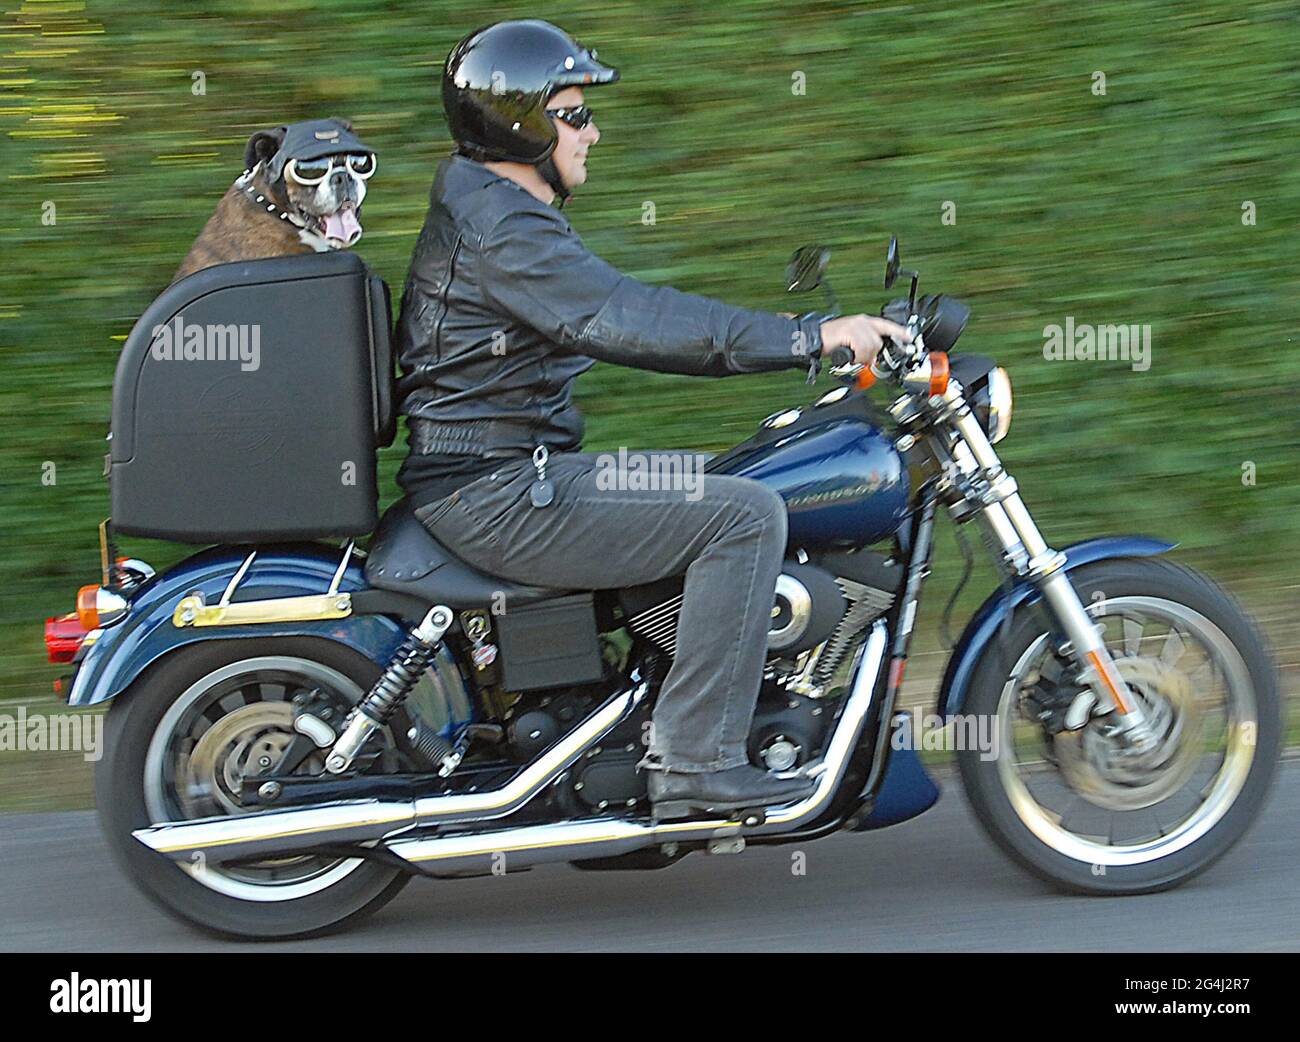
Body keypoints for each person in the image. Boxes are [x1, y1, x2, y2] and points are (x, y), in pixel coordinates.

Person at [394, 19, 910, 816]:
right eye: (574, 114)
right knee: (743, 517)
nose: (592, 132)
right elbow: (630, 318)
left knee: (721, 480)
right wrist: (808, 338)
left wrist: (794, 340)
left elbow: (630, 313)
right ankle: (694, 762)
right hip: (496, 492)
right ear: (520, 123)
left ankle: (659, 711)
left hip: (507, 476)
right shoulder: (502, 228)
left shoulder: (492, 212)